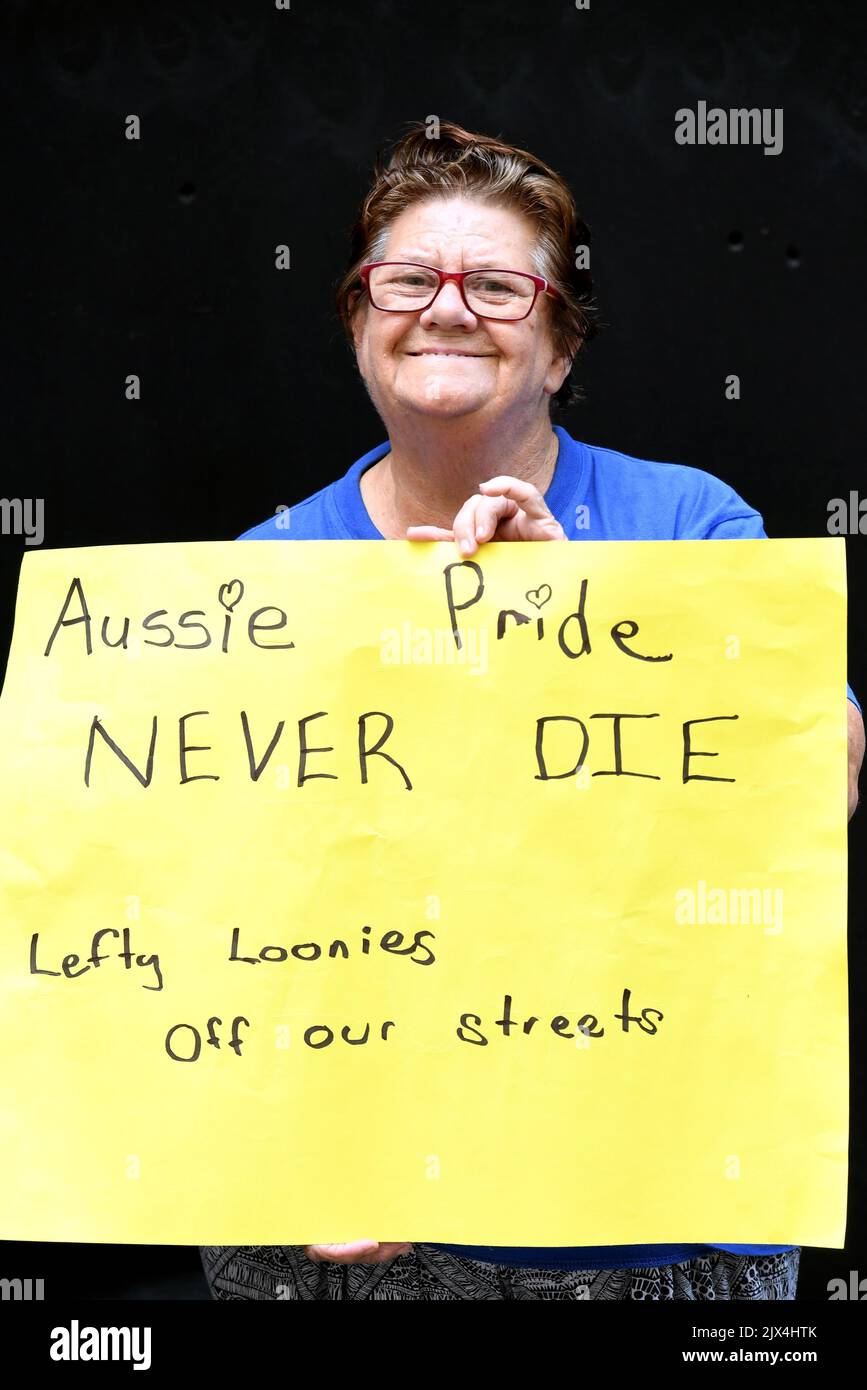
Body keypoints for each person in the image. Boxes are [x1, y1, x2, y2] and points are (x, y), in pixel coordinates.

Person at [201, 121, 864, 1301]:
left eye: (500, 286)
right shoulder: (261, 575)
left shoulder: (691, 524)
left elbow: (822, 772)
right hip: (362, 1228)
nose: (446, 307)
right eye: (407, 279)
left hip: (657, 1226)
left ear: (560, 346)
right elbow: (222, 906)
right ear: (358, 320)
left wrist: (586, 627)